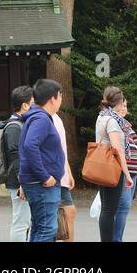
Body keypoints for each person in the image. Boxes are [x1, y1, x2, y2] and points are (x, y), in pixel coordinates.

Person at [18, 78, 65, 242]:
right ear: (53, 98)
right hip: (42, 184)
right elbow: (30, 147)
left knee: (39, 227)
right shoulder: (41, 119)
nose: (61, 100)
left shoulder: (34, 117)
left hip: (35, 182)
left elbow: (25, 148)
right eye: (60, 96)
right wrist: (44, 175)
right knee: (47, 229)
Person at [96, 87, 137, 242]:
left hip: (102, 167)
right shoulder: (112, 120)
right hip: (112, 169)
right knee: (109, 210)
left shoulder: (102, 116)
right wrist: (127, 174)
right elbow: (118, 149)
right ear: (119, 102)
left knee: (106, 210)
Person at [0, 86, 33, 242]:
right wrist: (23, 182)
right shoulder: (14, 127)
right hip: (19, 181)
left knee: (26, 221)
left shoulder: (20, 123)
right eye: (33, 103)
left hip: (22, 179)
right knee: (21, 222)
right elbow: (16, 157)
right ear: (25, 105)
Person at [111, 93, 137, 241]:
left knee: (125, 208)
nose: (124, 108)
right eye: (122, 105)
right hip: (123, 173)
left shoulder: (126, 125)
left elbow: (133, 148)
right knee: (121, 208)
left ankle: (117, 238)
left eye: (125, 105)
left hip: (133, 172)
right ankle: (115, 239)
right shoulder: (114, 123)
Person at [51, 100, 77, 241]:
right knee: (67, 213)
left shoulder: (56, 118)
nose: (61, 99)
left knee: (67, 213)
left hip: (61, 175)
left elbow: (61, 149)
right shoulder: (44, 119)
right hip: (53, 176)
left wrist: (68, 171)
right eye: (60, 96)